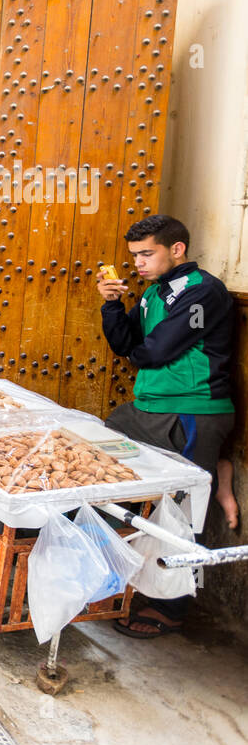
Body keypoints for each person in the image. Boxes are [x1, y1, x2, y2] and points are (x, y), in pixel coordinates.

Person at [97, 214, 238, 639]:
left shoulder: (203, 292)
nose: (138, 264)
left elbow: (152, 352)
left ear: (176, 249)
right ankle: (121, 573)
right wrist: (110, 304)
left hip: (192, 410)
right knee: (103, 455)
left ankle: (171, 607)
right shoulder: (153, 294)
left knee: (183, 509)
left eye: (147, 254)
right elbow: (125, 345)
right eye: (134, 256)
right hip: (148, 408)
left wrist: (140, 348)